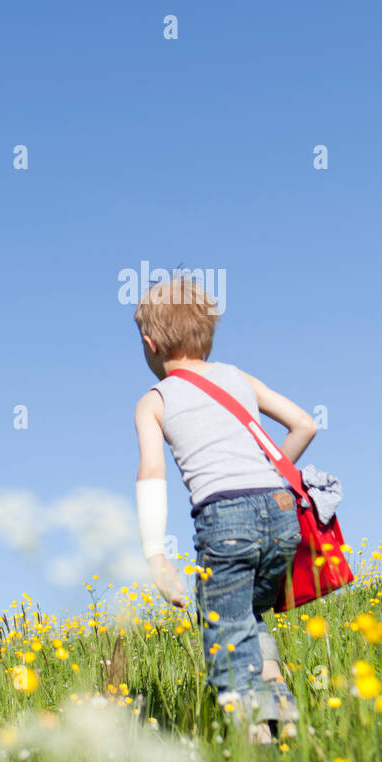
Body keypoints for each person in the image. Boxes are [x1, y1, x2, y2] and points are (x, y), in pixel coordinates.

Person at [133, 276, 317, 738]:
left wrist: (156, 556)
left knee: (225, 629)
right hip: (280, 515)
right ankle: (280, 713)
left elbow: (152, 474)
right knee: (246, 618)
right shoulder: (238, 378)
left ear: (151, 344)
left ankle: (257, 733)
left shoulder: (153, 401)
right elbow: (304, 424)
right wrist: (270, 482)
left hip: (225, 523)